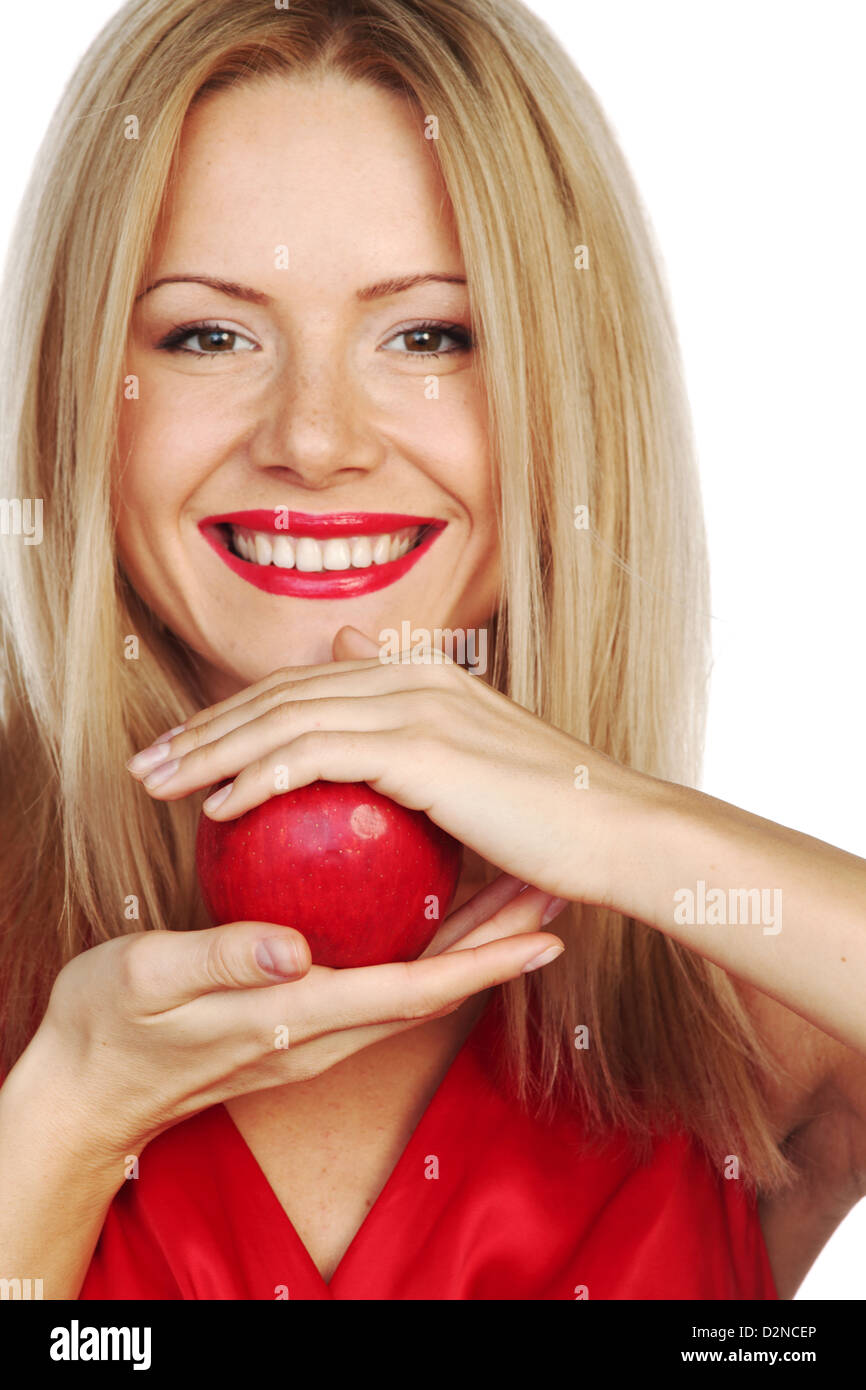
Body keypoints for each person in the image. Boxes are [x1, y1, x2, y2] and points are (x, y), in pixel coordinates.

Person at [0, 0, 863, 1302]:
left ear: (563, 392)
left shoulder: (746, 1004)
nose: (316, 438)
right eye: (206, 333)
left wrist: (629, 831)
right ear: (80, 391)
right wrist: (68, 1111)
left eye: (429, 335)